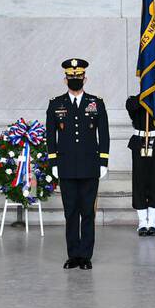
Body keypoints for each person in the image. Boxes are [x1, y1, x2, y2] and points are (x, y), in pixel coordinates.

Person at [47, 58, 110, 268]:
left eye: (79, 76)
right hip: (65, 167)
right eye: (71, 77)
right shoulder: (56, 104)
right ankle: (73, 255)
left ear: (85, 78)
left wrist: (103, 161)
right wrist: (53, 162)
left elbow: (104, 134)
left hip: (90, 166)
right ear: (65, 80)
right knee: (70, 212)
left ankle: (86, 256)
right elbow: (50, 136)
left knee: (87, 213)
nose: (75, 79)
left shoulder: (96, 103)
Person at [124, 94, 155, 236]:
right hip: (139, 143)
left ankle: (152, 222)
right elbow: (131, 108)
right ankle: (142, 222)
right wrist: (143, 99)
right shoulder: (134, 101)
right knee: (139, 182)